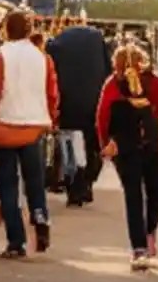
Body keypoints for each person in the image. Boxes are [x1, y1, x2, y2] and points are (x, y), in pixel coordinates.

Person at [0, 10, 59, 258]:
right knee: (35, 181)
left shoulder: (0, 56)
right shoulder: (42, 58)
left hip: (6, 126)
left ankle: (16, 241)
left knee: (7, 184)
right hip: (34, 126)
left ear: (6, 30)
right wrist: (51, 118)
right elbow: (52, 93)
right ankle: (40, 215)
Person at [96, 44, 158, 270]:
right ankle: (147, 233)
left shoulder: (112, 85)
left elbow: (102, 116)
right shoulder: (155, 82)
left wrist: (105, 144)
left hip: (124, 147)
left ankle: (139, 247)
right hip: (155, 145)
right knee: (156, 193)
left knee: (133, 196)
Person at [47, 20, 112, 206]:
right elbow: (108, 72)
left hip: (67, 101)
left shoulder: (57, 44)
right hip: (93, 102)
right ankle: (87, 183)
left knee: (69, 145)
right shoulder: (97, 41)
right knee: (92, 145)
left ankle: (74, 187)